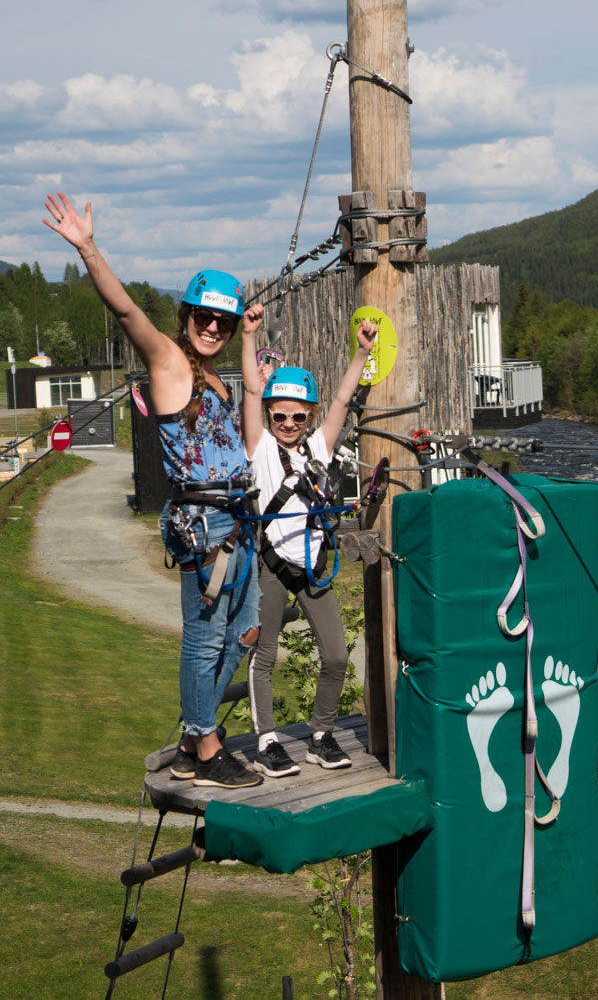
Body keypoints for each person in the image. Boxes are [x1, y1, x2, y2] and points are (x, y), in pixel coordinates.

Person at [43, 191, 263, 789]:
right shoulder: (169, 362)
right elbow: (125, 313)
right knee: (205, 636)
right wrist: (88, 248)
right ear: (186, 317)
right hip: (206, 524)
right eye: (204, 318)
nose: (213, 327)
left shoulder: (213, 377)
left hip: (238, 517)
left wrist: (248, 351)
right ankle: (207, 747)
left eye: (223, 320)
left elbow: (248, 444)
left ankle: (196, 734)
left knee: (246, 631)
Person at [240, 303, 377, 776]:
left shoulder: (318, 448)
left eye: (299, 418)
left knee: (337, 655)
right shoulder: (259, 449)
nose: (290, 425)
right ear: (269, 415)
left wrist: (361, 354)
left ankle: (321, 735)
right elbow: (253, 390)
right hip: (273, 565)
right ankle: (267, 741)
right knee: (265, 656)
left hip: (314, 562)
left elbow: (341, 402)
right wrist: (247, 337)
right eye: (281, 417)